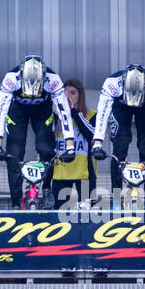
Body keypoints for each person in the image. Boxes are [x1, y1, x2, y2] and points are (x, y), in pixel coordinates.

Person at [0, 55, 76, 208]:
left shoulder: (53, 79)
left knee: (46, 148)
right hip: (17, 111)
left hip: (42, 110)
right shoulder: (11, 78)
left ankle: (46, 187)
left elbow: (64, 113)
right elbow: (0, 111)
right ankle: (15, 201)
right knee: (14, 154)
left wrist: (70, 146)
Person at [91, 64, 145, 206]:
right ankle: (116, 198)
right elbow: (102, 113)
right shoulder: (111, 83)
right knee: (119, 147)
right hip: (120, 105)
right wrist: (97, 143)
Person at [50, 79, 97, 209]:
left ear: (80, 95)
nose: (68, 96)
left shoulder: (91, 115)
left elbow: (91, 134)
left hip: (84, 171)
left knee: (88, 212)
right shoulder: (55, 116)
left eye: (73, 93)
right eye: (64, 93)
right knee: (59, 211)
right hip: (60, 171)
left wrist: (75, 113)